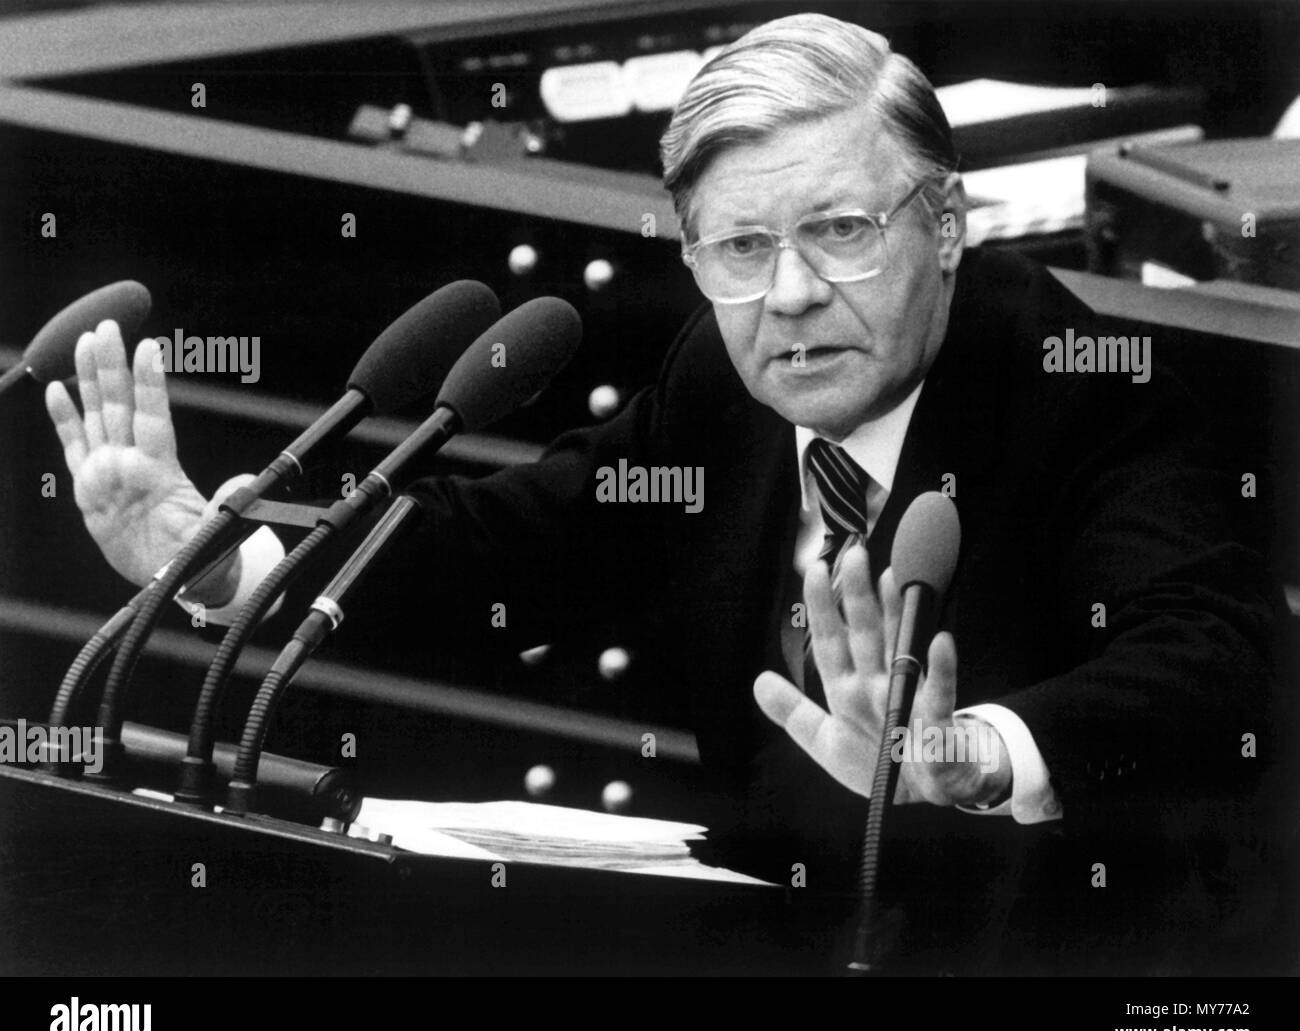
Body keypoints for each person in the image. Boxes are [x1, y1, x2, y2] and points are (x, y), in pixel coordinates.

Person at [44, 14, 1279, 973]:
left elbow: (1212, 655)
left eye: (840, 231)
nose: (789, 293)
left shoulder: (1077, 384)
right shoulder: (723, 376)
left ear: (946, 223)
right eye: (740, 249)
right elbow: (508, 548)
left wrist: (970, 754)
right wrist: (228, 561)